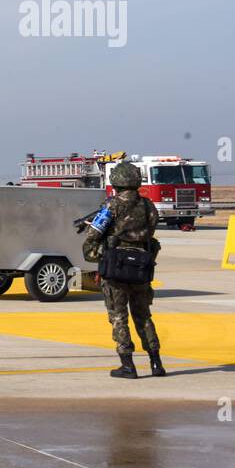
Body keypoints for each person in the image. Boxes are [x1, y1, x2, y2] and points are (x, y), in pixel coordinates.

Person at [82, 161, 163, 379]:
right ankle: (156, 363)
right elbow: (151, 232)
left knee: (119, 317)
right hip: (141, 270)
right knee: (143, 316)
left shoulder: (111, 206)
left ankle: (128, 365)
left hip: (117, 270)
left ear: (116, 182)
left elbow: (91, 240)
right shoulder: (148, 206)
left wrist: (101, 254)